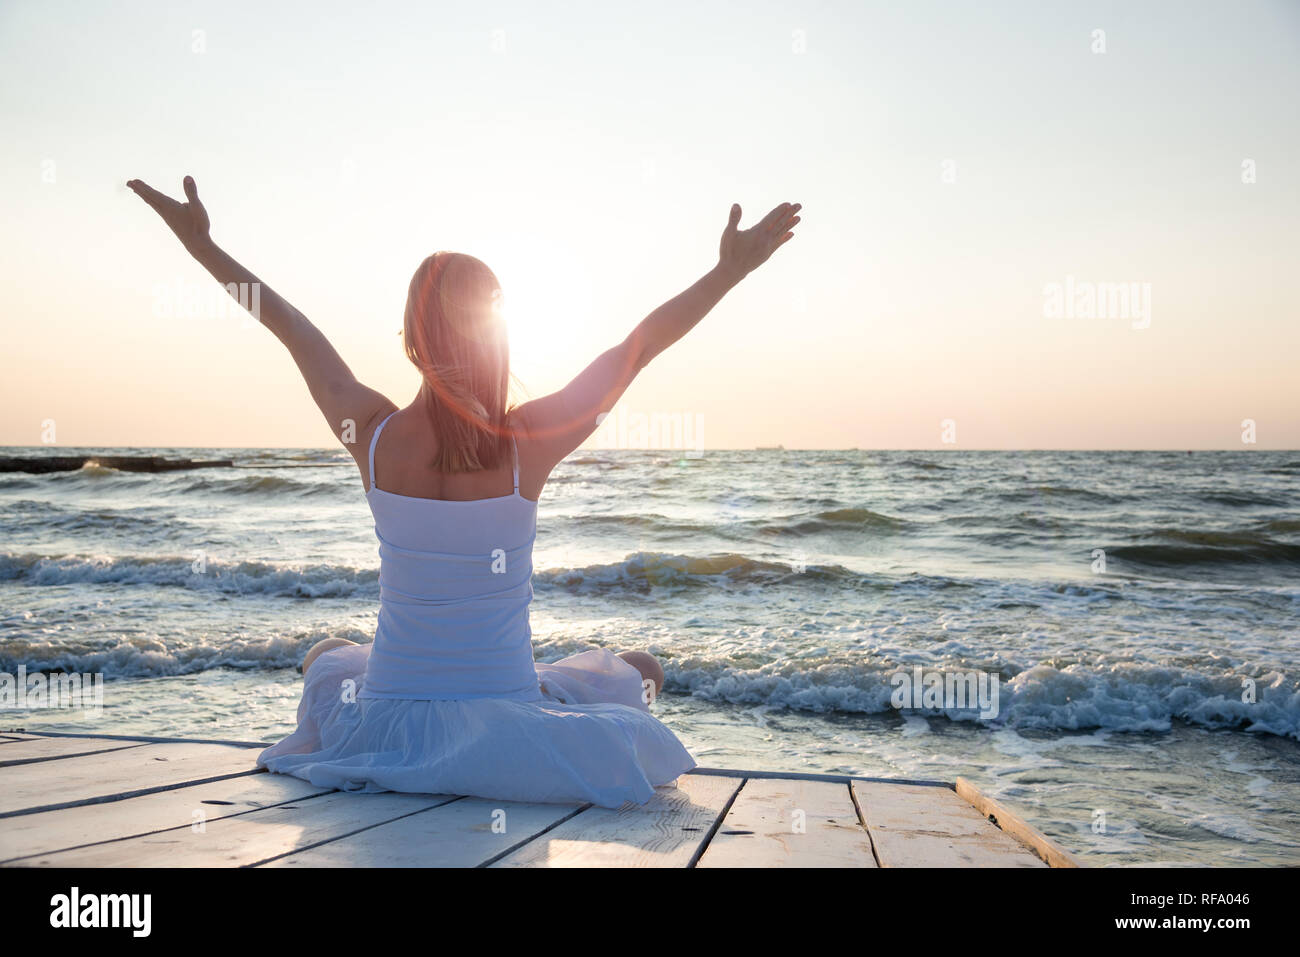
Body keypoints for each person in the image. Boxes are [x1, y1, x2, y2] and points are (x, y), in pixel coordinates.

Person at [127, 175, 801, 807]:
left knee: (326, 658)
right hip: (509, 717)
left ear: (411, 341)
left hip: (384, 718)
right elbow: (639, 347)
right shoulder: (530, 441)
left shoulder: (371, 431)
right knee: (641, 668)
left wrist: (202, 246)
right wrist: (729, 271)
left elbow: (287, 325)